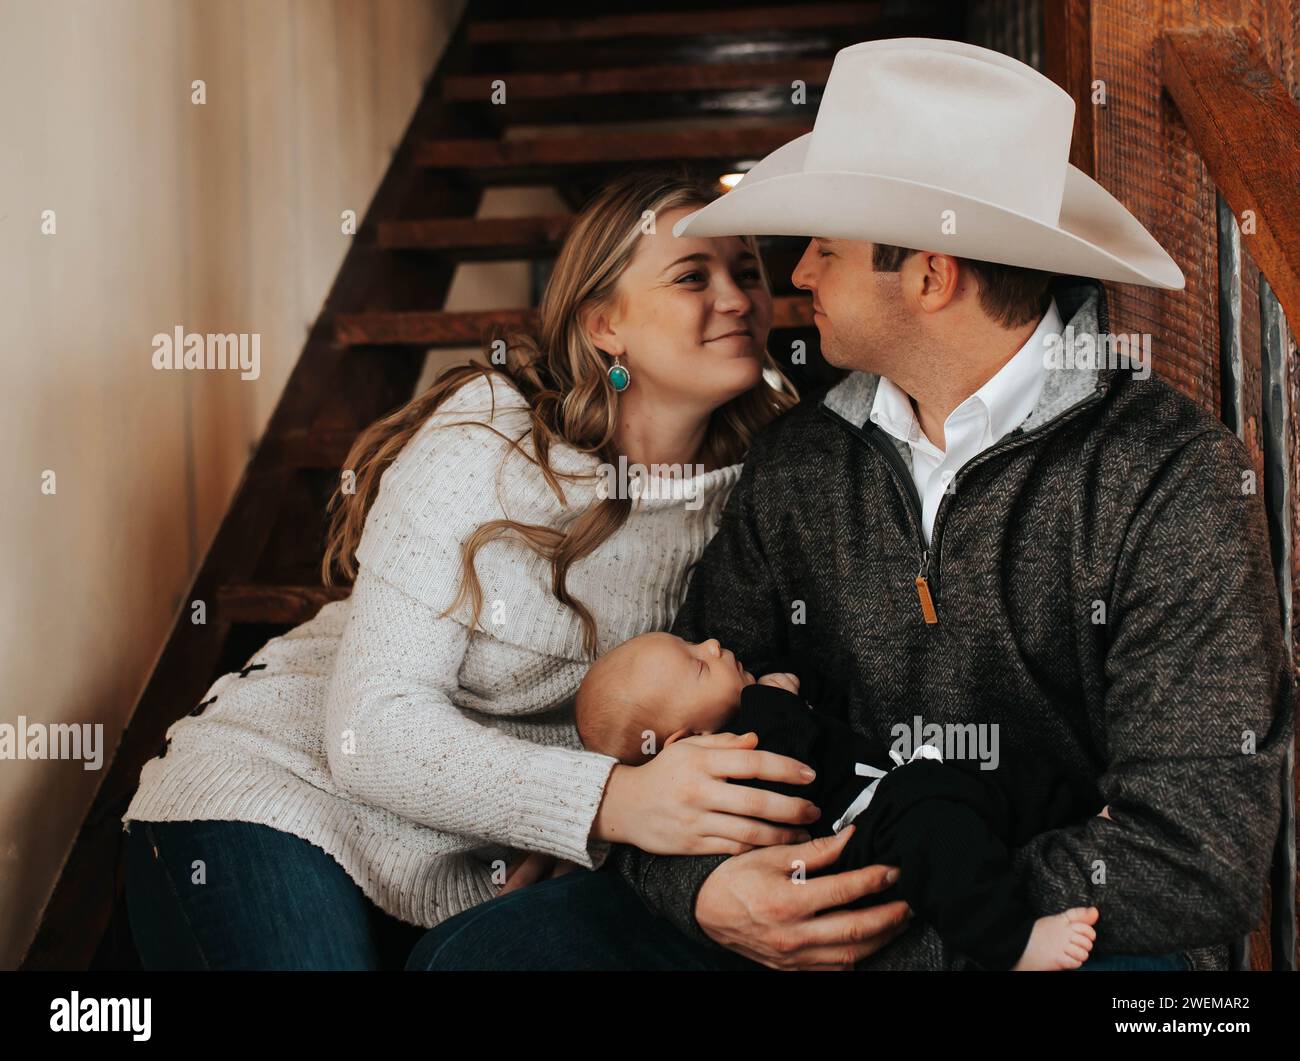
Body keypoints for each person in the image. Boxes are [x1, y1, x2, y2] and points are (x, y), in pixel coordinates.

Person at [408, 39, 1291, 973]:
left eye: (825, 250)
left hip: (1036, 935)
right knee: (477, 959)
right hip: (786, 892)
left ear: (929, 276)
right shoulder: (798, 462)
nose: (795, 280)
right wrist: (708, 893)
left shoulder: (1171, 473)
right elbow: (678, 742)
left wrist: (904, 922)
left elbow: (1201, 851)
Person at [121, 169, 821, 970]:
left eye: (748, 270)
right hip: (287, 794)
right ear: (605, 326)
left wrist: (593, 829)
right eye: (693, 275)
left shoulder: (761, 491)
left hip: (485, 855)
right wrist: (605, 805)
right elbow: (371, 732)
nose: (736, 297)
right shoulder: (490, 443)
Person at [571, 629, 1107, 970]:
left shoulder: (751, 713)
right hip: (856, 844)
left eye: (694, 643)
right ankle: (1010, 944)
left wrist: (791, 691)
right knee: (934, 828)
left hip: (891, 788)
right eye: (698, 665)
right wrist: (770, 697)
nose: (712, 646)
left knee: (989, 769)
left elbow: (825, 726)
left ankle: (1087, 812)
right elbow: (793, 748)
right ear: (682, 745)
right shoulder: (735, 756)